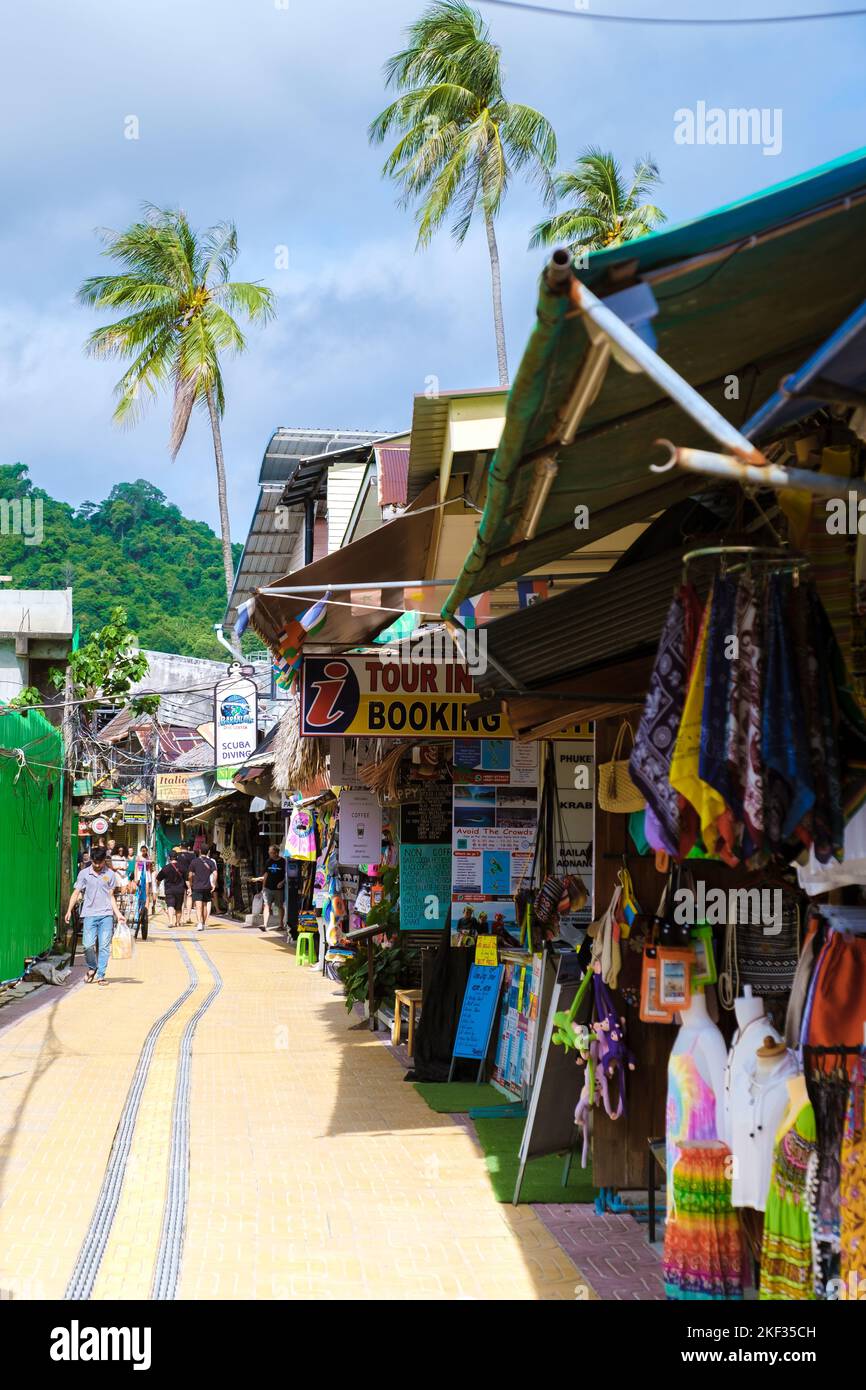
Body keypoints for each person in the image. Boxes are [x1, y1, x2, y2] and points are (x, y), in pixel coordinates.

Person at [65, 845, 125, 986]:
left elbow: (111, 897)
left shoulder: (110, 875)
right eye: (94, 862)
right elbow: (76, 892)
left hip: (106, 915)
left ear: (105, 860)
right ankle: (92, 967)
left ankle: (100, 975)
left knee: (104, 947)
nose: (97, 865)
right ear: (91, 860)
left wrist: (118, 914)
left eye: (100, 862)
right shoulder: (84, 874)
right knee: (87, 945)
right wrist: (68, 910)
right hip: (89, 914)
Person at [250, 846, 286, 932]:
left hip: (278, 889)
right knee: (266, 905)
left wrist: (282, 882)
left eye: (271, 853)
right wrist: (263, 887)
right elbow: (266, 874)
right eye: (269, 852)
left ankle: (281, 924)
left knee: (279, 906)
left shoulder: (283, 862)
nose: (269, 854)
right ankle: (265, 925)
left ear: (276, 853)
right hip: (268, 888)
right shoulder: (268, 861)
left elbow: (287, 875)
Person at [188, 847, 217, 931]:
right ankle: (203, 923)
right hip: (207, 886)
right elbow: (215, 874)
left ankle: (199, 923)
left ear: (200, 851)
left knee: (198, 906)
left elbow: (189, 875)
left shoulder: (194, 861)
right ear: (208, 852)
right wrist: (213, 884)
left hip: (197, 886)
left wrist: (190, 884)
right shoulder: (211, 862)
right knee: (204, 905)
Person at [156, 850, 186, 929]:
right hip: (180, 890)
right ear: (177, 857)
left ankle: (171, 922)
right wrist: (188, 888)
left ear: (169, 858)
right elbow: (186, 879)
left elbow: (158, 879)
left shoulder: (166, 868)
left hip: (169, 890)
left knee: (170, 905)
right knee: (179, 907)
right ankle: (178, 922)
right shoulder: (182, 867)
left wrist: (157, 886)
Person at [175, 840, 195, 925]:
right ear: (188, 847)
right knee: (189, 896)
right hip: (189, 877)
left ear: (180, 847)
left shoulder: (177, 855)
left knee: (181, 897)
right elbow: (193, 867)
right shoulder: (192, 856)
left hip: (179, 877)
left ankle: (182, 917)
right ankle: (188, 916)